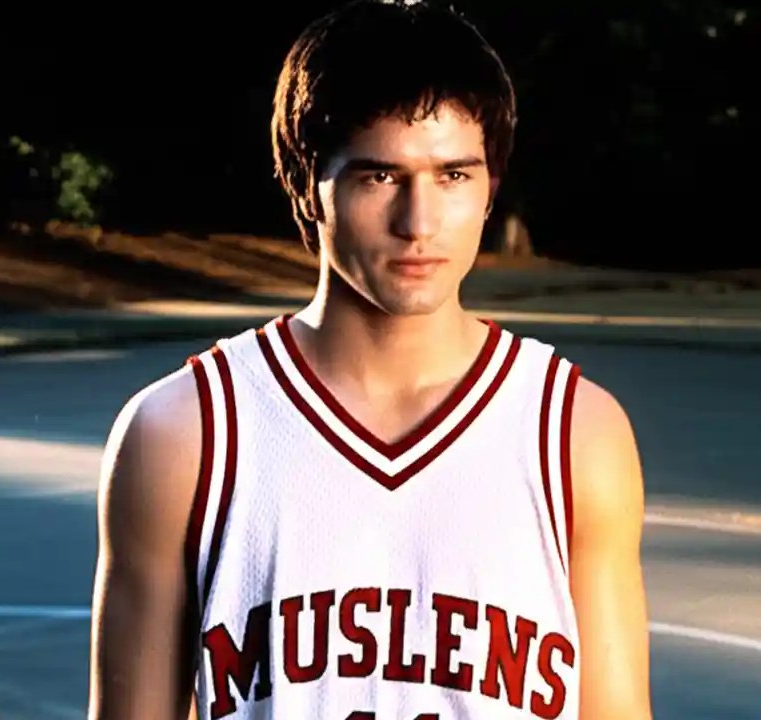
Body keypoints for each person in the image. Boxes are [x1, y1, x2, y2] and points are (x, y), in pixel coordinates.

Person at [87, 1, 652, 718]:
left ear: (490, 187)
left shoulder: (573, 434)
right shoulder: (183, 434)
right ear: (304, 181)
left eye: (453, 176)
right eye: (378, 177)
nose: (419, 223)